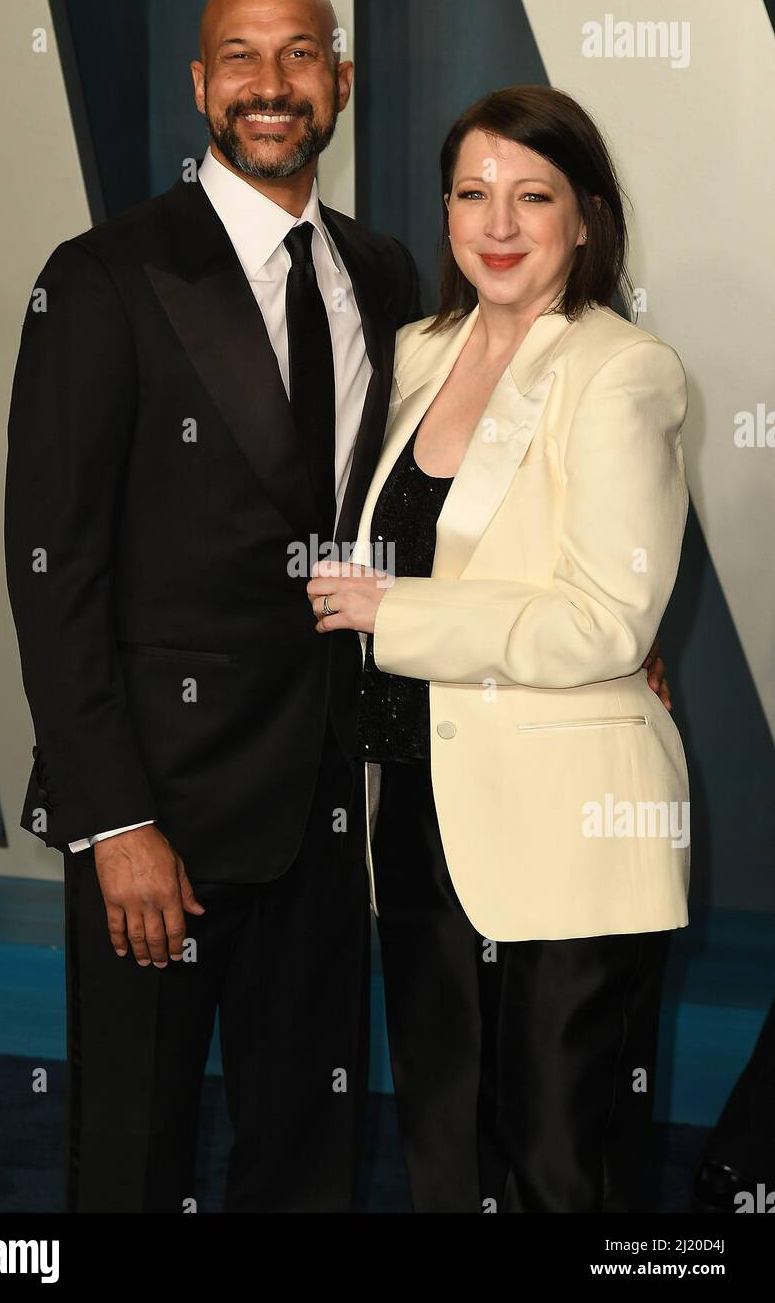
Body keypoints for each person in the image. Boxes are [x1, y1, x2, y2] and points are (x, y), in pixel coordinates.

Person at [4, 0, 424, 1213]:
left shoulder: (382, 273)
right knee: (134, 1148)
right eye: (239, 58)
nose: (269, 85)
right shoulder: (105, 276)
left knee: (307, 1145)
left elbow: (414, 508)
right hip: (161, 812)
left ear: (340, 82)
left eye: (298, 55)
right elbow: (53, 569)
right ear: (200, 86)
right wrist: (112, 819)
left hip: (326, 802)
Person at [307, 85, 690, 1212]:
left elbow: (607, 619)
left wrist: (397, 612)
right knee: (444, 1149)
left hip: (572, 824)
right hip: (421, 810)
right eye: (473, 194)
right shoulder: (417, 352)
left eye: (534, 196)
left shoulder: (622, 369)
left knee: (563, 1167)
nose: (500, 224)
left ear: (586, 218)